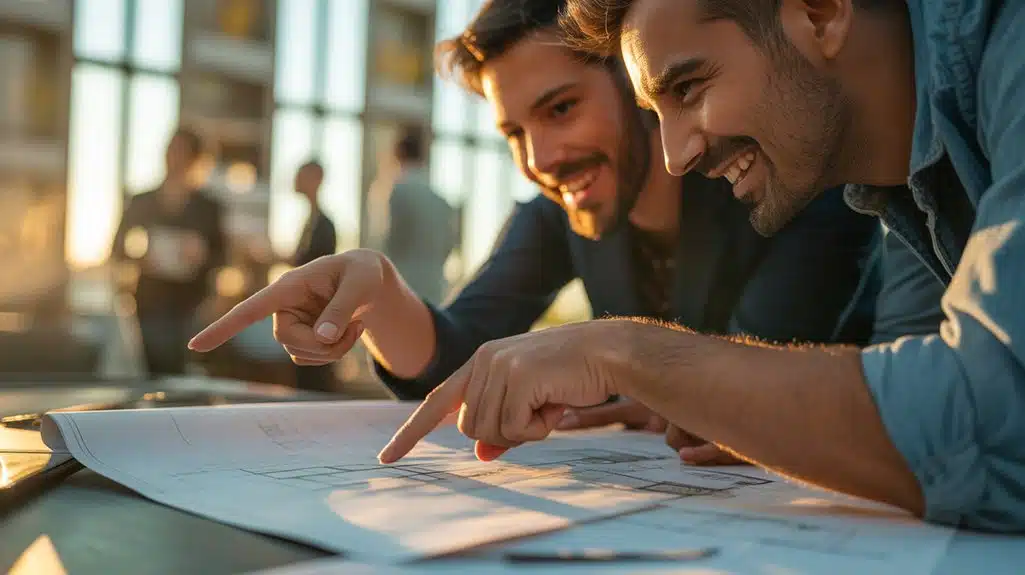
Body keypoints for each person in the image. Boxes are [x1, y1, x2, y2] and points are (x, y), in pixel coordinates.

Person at [376, 0, 1025, 531]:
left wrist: (629, 354)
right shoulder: (899, 183)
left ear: (822, 13)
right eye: (656, 110)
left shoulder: (1002, 54)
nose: (674, 155)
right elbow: (913, 414)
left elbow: (991, 420)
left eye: (688, 86)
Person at [189, 0, 880, 466]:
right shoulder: (555, 214)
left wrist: (638, 376)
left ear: (638, 82)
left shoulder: (770, 175)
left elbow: (757, 376)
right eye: (515, 132)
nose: (540, 159)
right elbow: (463, 356)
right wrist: (383, 297)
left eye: (561, 108)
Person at [112, 128, 227, 376]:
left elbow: (221, 255)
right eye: (172, 150)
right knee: (153, 366)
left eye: (182, 152)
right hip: (150, 299)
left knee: (180, 368)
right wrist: (141, 258)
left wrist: (201, 254)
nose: (174, 158)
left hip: (191, 302)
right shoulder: (143, 201)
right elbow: (118, 246)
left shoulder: (209, 207)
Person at [373, 126, 458, 306]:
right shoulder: (440, 199)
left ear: (397, 155)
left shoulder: (397, 190)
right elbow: (449, 244)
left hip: (402, 285)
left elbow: (390, 241)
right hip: (434, 286)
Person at [290, 159, 338, 391]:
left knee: (313, 379)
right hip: (308, 313)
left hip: (314, 316)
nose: (295, 179)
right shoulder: (312, 222)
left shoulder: (324, 225)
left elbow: (313, 269)